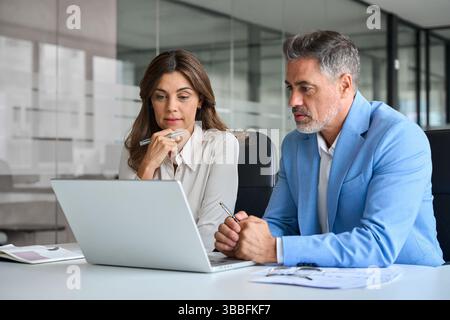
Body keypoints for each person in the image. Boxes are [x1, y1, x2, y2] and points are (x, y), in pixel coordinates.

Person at [214, 30, 444, 267]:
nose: (293, 101)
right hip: (324, 279)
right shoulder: (295, 144)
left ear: (344, 85)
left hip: (407, 280)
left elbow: (378, 244)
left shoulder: (398, 137)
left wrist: (274, 248)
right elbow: (281, 223)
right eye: (290, 88)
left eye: (306, 88)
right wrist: (245, 236)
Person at [119, 49, 239, 252]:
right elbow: (125, 228)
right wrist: (148, 166)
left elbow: (209, 234)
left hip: (194, 270)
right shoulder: (134, 147)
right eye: (160, 97)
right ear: (150, 101)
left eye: (183, 97)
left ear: (200, 100)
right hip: (141, 265)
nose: (171, 107)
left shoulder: (222, 144)